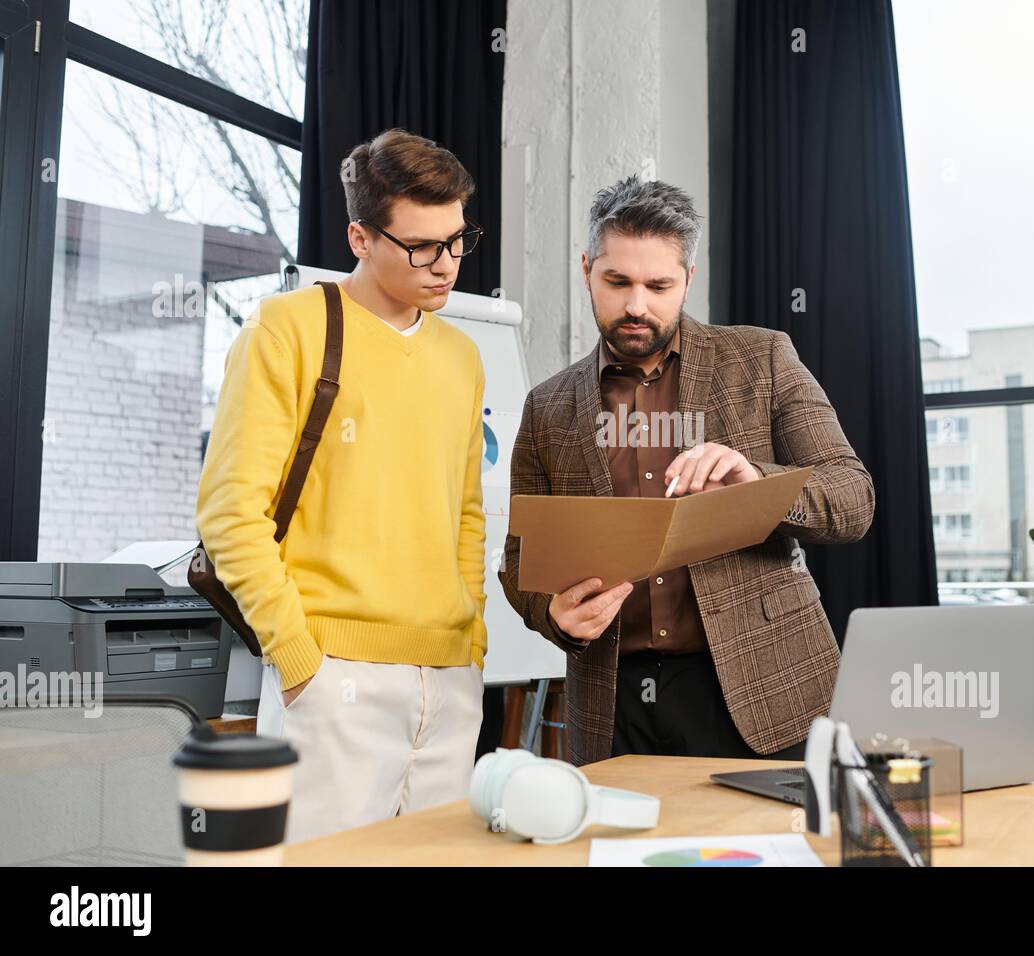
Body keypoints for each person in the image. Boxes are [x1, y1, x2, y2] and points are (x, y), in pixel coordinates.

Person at [500, 176, 875, 766]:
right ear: (586, 270)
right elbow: (520, 561)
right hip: (613, 705)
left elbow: (853, 500)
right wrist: (551, 614)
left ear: (688, 281)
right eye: (617, 281)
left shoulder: (763, 359)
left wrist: (755, 481)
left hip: (767, 688)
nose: (635, 306)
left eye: (659, 285)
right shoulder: (547, 407)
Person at [195, 129, 488, 842]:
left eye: (458, 240)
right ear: (360, 236)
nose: (445, 264)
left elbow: (467, 513)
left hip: (450, 681)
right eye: (421, 246)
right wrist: (297, 660)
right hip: (332, 680)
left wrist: (471, 636)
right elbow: (230, 512)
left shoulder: (462, 354)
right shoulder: (285, 330)